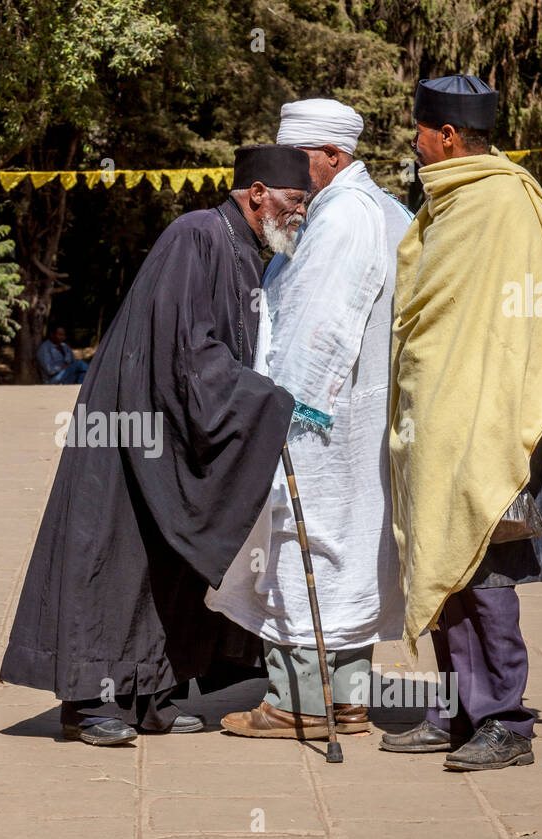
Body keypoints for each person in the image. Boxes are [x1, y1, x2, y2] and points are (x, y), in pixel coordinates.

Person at [0, 145, 311, 745]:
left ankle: (151, 698)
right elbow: (186, 352)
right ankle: (92, 705)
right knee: (116, 560)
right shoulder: (196, 236)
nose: (301, 213)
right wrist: (263, 401)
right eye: (295, 202)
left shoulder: (247, 249)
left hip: (177, 429)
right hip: (134, 427)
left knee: (166, 568)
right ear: (257, 195)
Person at [381, 75, 542, 770]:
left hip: (496, 417)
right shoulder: (447, 200)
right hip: (441, 417)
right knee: (444, 567)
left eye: (419, 133)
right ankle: (452, 712)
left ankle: (504, 721)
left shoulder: (504, 200)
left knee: (489, 574)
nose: (414, 146)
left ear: (447, 135)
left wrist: (497, 401)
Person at [208, 99, 411, 740]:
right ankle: (345, 700)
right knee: (348, 550)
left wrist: (281, 405)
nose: (293, 172)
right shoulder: (380, 208)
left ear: (331, 155)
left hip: (319, 417)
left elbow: (316, 323)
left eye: (300, 157)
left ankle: (297, 703)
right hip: (357, 413)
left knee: (305, 546)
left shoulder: (345, 215)